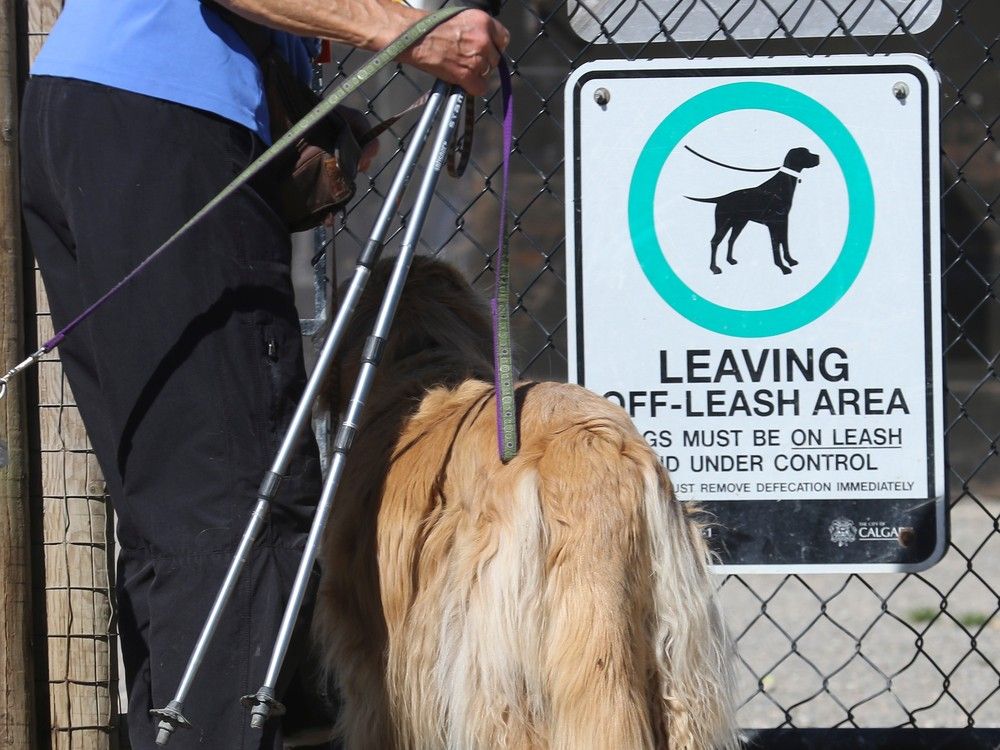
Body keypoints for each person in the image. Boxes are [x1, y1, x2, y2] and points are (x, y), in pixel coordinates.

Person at [19, 2, 509, 748]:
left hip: (97, 111)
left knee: (180, 511)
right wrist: (415, 31)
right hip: (160, 118)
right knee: (241, 506)